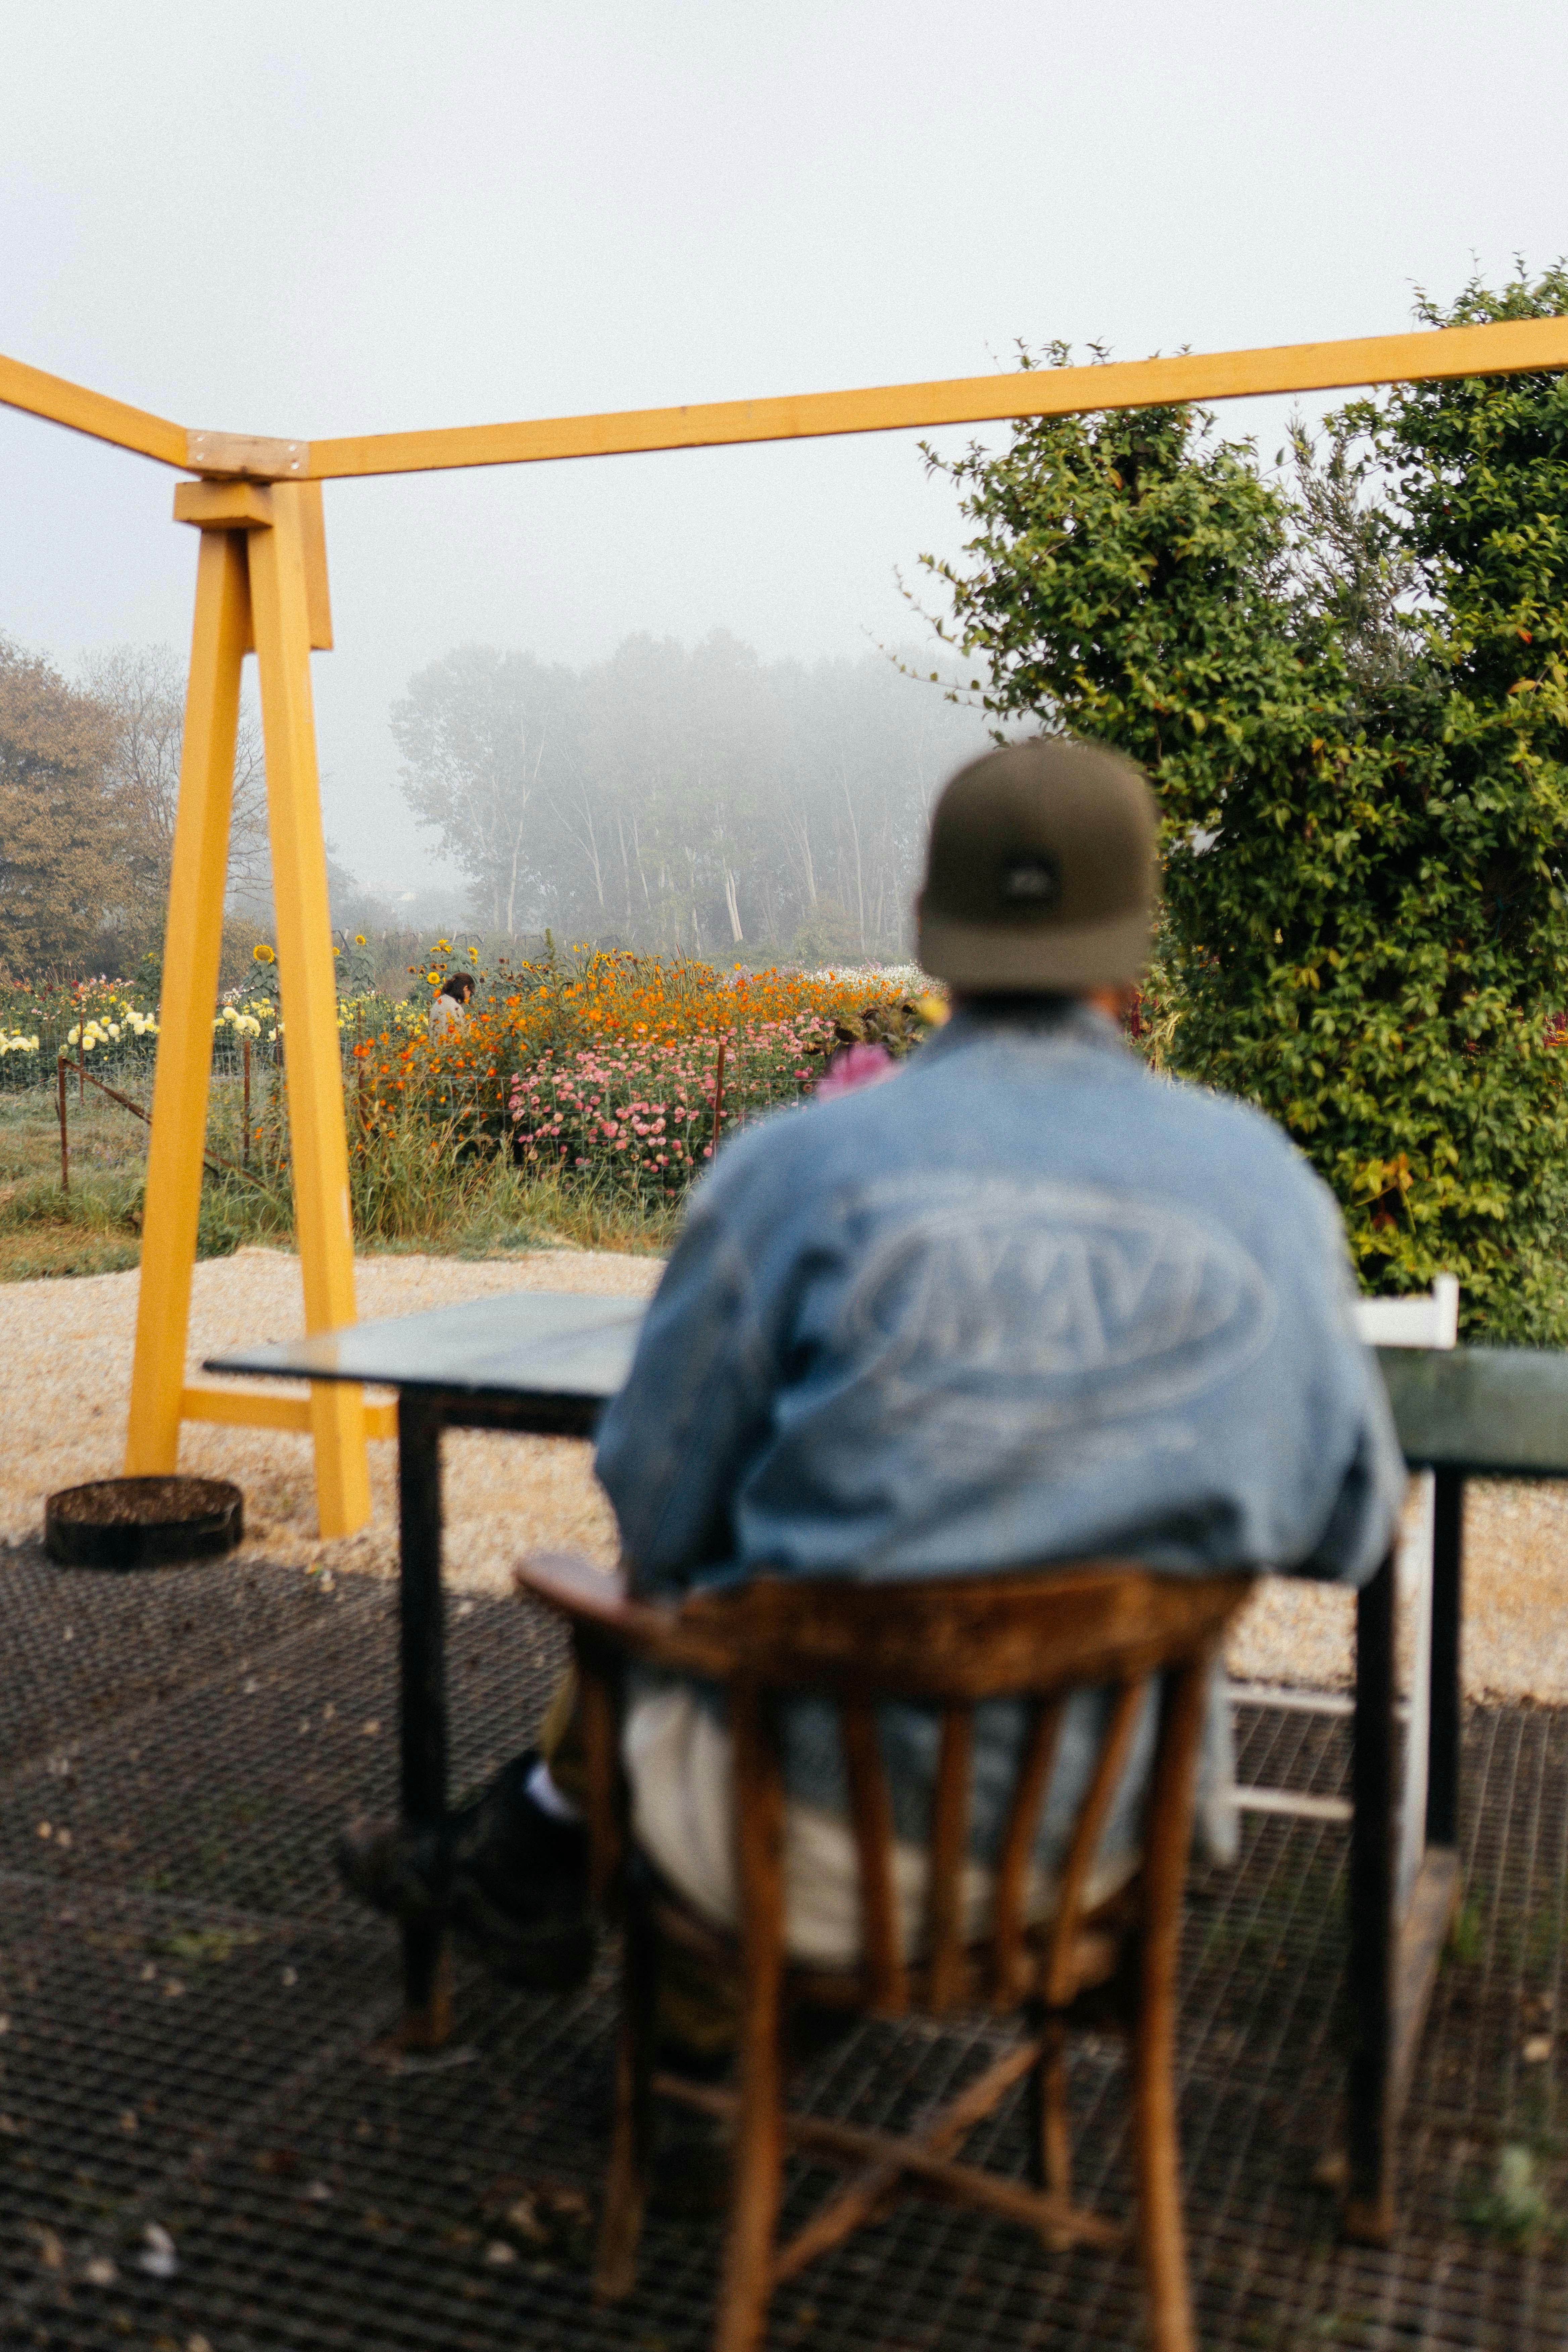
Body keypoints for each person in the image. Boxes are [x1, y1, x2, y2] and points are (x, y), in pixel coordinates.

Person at [340, 737, 1405, 2036]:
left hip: (812, 1836)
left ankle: (689, 2080)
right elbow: (1349, 1528)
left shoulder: (785, 1176)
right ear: (1133, 949)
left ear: (922, 933)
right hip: (1114, 1838)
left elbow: (658, 1518)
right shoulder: (1264, 1188)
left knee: (663, 1642)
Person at [428, 970, 475, 1043]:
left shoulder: (440, 1001)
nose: (469, 997)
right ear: (466, 988)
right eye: (470, 993)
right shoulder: (456, 1007)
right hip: (449, 1051)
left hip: (435, 1050)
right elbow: (463, 1037)